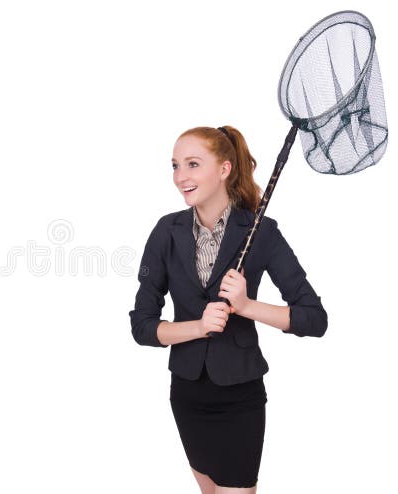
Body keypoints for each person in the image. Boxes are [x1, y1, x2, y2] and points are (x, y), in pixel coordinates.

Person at [130, 126, 327, 493]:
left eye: (192, 164)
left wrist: (247, 305)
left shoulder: (261, 232)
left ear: (224, 169)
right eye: (175, 166)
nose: (180, 177)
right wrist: (197, 327)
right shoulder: (165, 232)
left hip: (240, 399)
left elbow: (314, 319)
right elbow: (142, 326)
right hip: (187, 396)